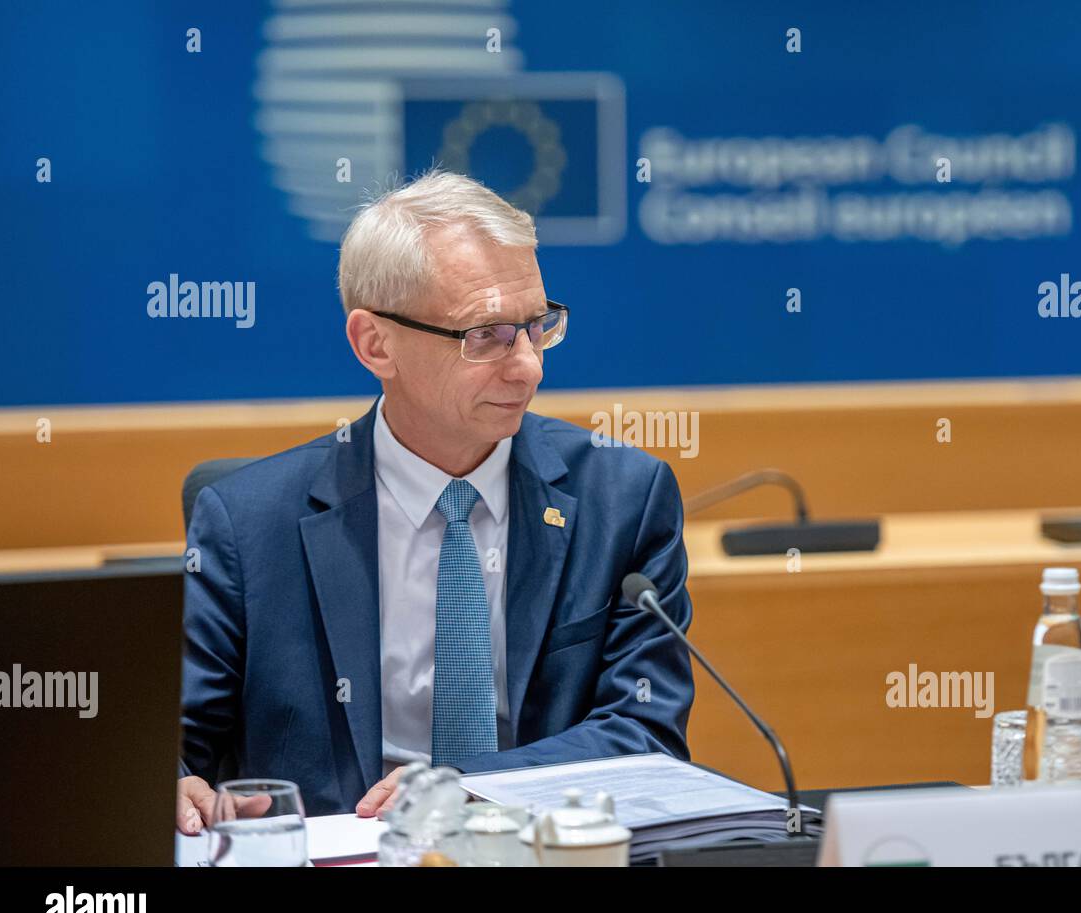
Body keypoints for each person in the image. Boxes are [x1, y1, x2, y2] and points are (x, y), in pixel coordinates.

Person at [176, 169, 694, 834]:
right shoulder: (248, 524)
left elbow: (647, 732)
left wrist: (471, 788)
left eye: (538, 326)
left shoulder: (622, 499)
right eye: (486, 335)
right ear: (374, 343)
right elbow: (172, 740)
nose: (529, 366)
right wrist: (174, 785)